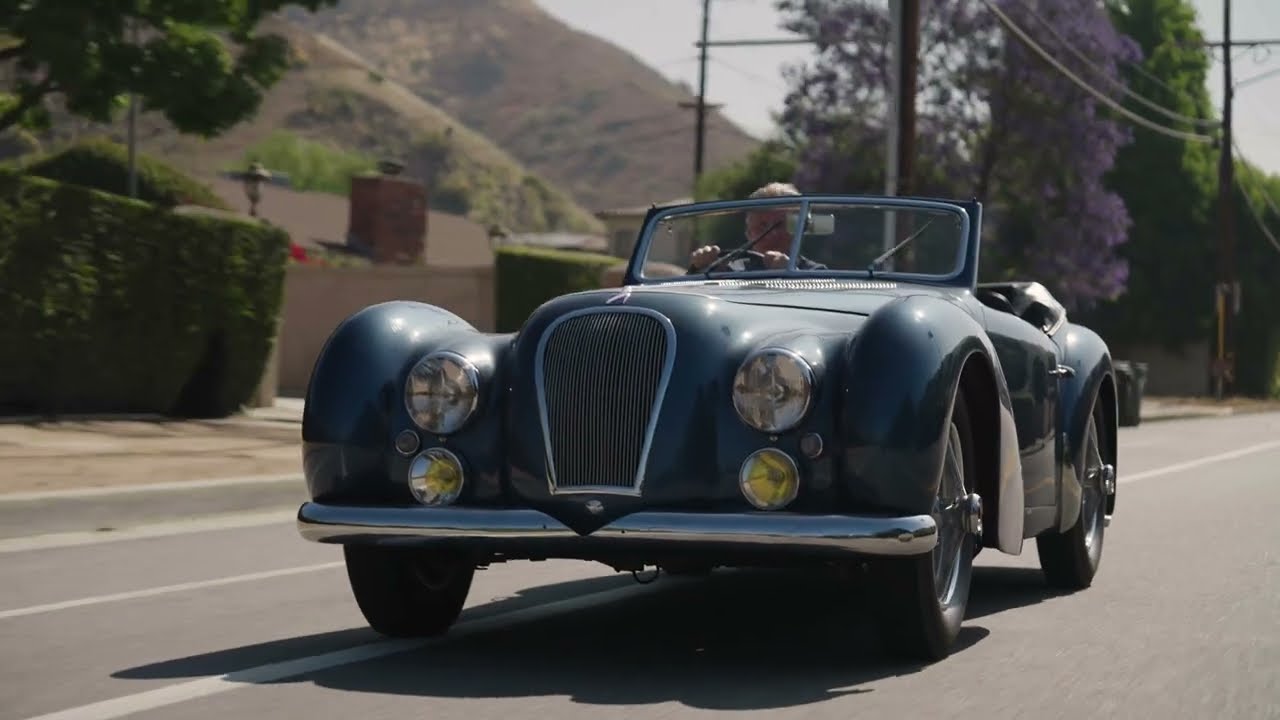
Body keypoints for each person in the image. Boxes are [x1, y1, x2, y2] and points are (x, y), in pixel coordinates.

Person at [686, 181, 826, 273]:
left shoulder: (815, 272)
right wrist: (700, 267)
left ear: (798, 231)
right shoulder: (731, 271)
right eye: (762, 225)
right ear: (748, 232)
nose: (772, 234)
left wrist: (792, 272)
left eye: (780, 225)